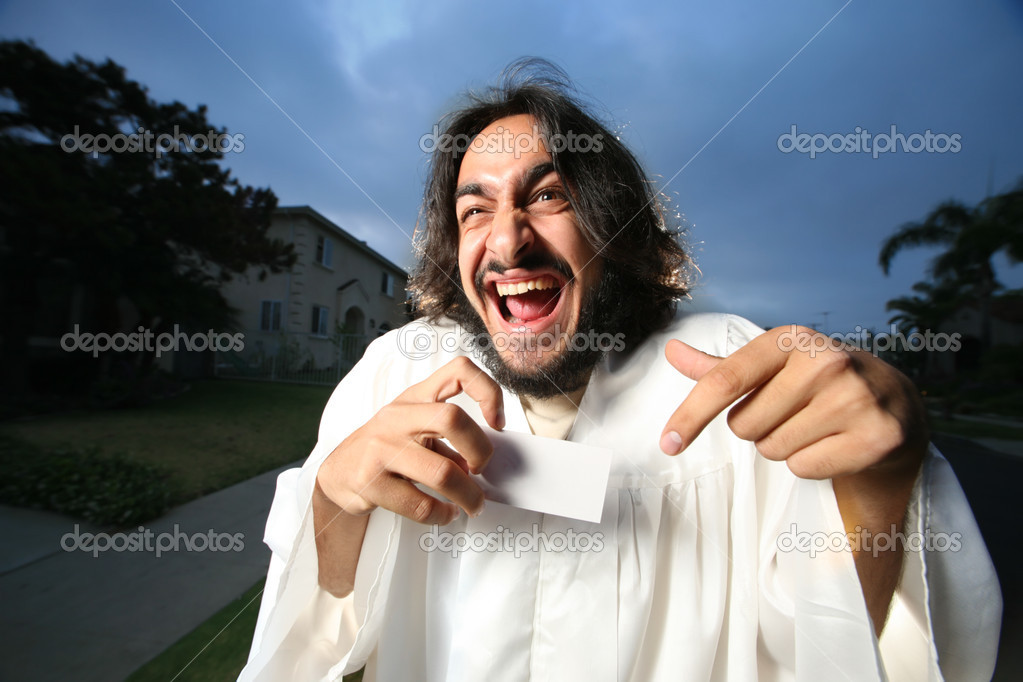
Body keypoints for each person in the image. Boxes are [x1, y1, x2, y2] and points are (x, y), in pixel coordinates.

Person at [240, 60, 1000, 681]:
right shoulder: (392, 373)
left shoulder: (733, 369)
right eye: (474, 211)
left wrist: (878, 482)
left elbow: (833, 650)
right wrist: (334, 503)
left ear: (619, 228)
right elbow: (323, 630)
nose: (506, 242)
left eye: (549, 196)